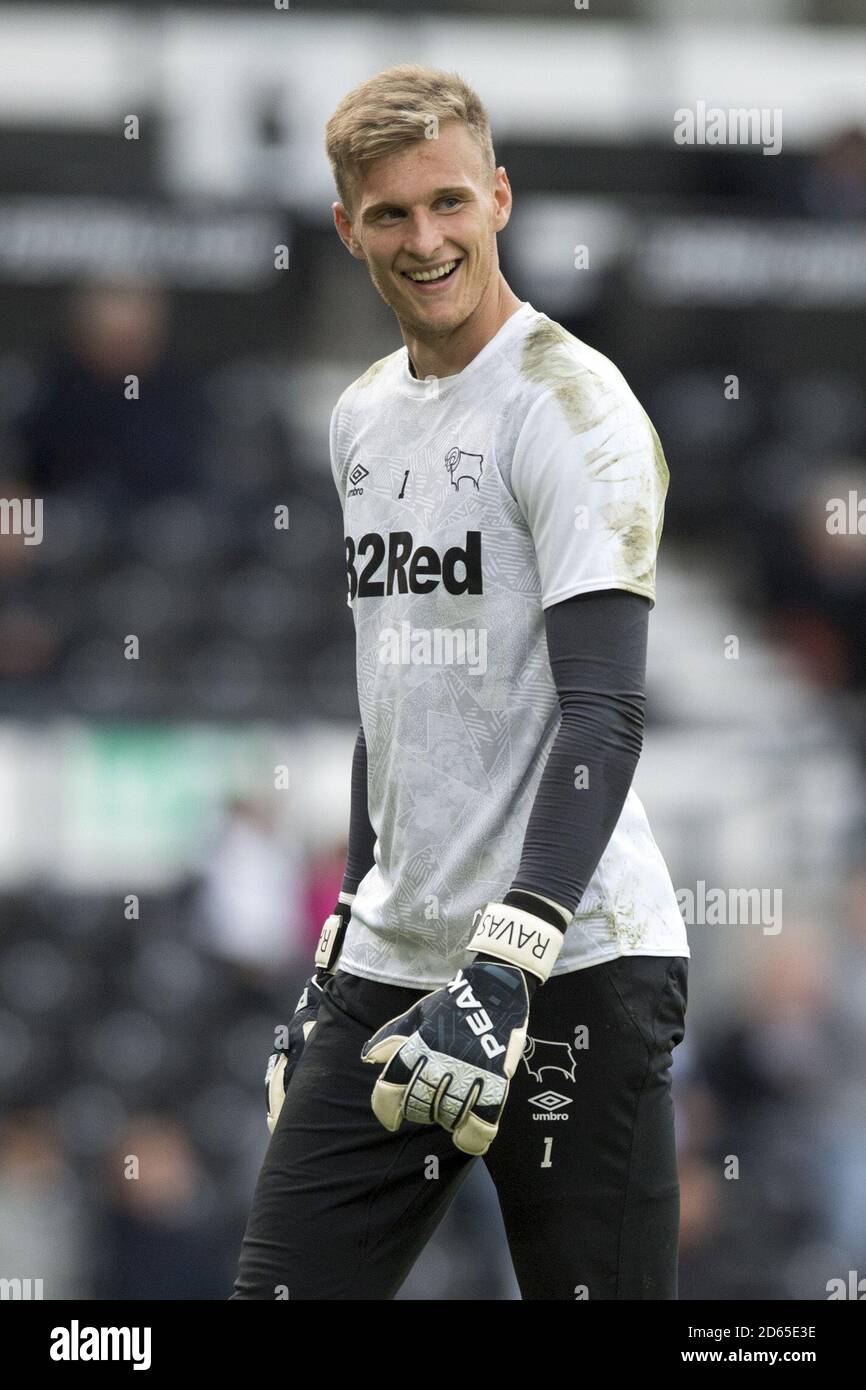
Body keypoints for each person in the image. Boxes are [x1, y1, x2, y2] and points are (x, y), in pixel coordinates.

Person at [231, 64, 689, 1302]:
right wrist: (336, 946)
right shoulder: (359, 419)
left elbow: (604, 710)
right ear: (346, 228)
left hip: (572, 962)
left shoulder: (569, 402)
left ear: (496, 197)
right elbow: (393, 699)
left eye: (445, 204)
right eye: (388, 215)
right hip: (396, 960)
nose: (422, 240)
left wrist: (506, 965)